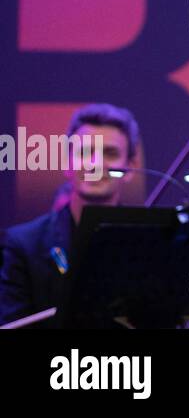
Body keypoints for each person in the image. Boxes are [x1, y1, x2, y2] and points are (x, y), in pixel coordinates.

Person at [0, 103, 139, 324]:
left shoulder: (149, 242)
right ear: (66, 162)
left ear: (130, 167)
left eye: (110, 153)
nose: (96, 163)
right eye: (85, 152)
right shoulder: (23, 245)